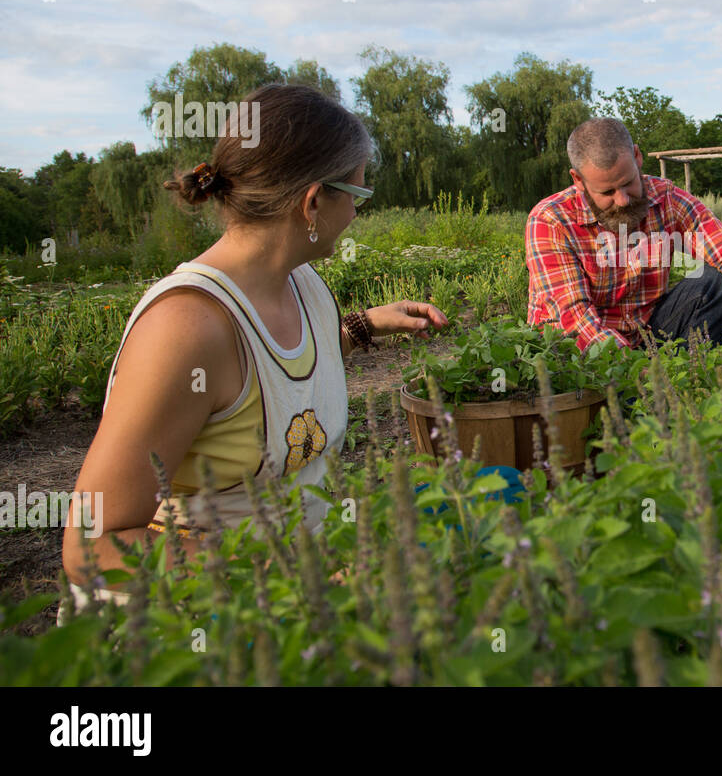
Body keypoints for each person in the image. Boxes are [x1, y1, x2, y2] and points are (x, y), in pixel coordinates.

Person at [61, 84, 450, 614]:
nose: (359, 213)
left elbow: (262, 384)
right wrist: (290, 573)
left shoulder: (302, 282)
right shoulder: (187, 327)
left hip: (295, 606)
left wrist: (365, 326)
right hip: (192, 627)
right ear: (314, 202)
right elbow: (94, 542)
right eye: (357, 196)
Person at [525, 118, 722, 352]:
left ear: (637, 156)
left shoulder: (666, 198)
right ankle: (658, 389)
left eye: (628, 183)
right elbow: (576, 320)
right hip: (581, 355)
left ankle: (692, 378)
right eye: (608, 192)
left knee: (714, 282)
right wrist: (637, 373)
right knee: (596, 369)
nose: (622, 201)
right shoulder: (551, 220)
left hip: (645, 339)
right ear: (578, 180)